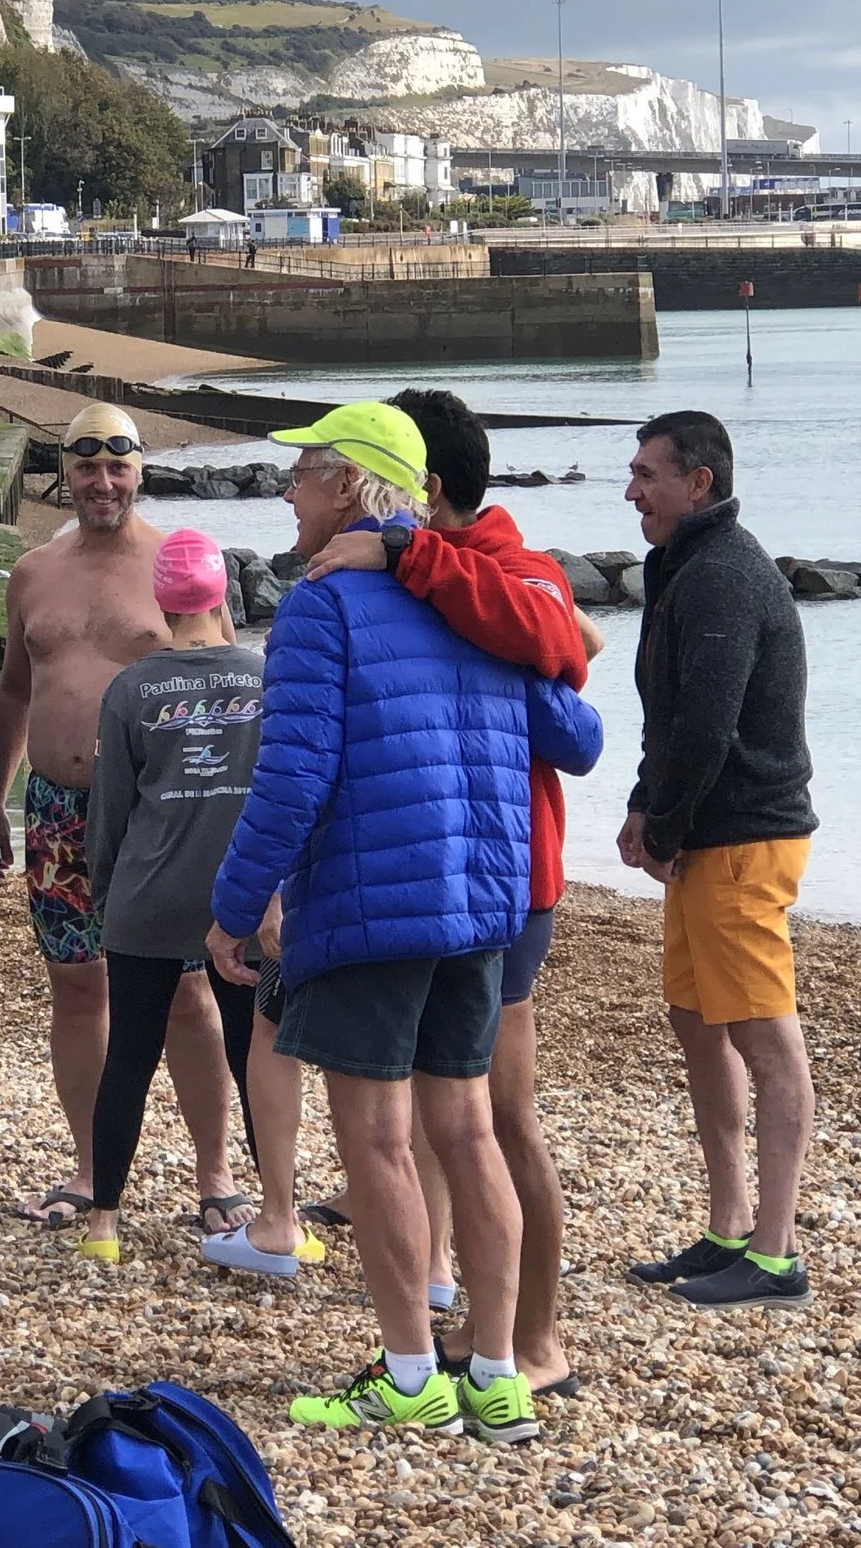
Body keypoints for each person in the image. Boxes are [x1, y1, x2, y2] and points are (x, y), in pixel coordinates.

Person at [206, 401, 601, 1443]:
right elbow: (576, 730)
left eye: (301, 474)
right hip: (483, 901)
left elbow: (291, 782)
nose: (286, 491)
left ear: (347, 486)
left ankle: (411, 1372)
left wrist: (232, 910)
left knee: (377, 1142)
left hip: (373, 905)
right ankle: (502, 1379)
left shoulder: (321, 605)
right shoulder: (477, 600)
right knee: (467, 1132)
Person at [305, 387, 605, 1391]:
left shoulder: (500, 567)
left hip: (502, 876)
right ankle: (439, 1304)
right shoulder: (421, 574)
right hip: (440, 868)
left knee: (494, 1119)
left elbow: (570, 659)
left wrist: (405, 556)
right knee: (436, 1116)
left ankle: (529, 1342)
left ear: (420, 488)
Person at [0, 402, 248, 1235]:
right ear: (67, 470)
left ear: (139, 469)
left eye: (119, 465)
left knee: (187, 990)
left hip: (167, 813)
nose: (104, 481)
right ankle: (93, 1168)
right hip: (59, 812)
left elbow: (231, 688)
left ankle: (216, 1174)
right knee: (78, 985)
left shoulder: (180, 563)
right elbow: (17, 691)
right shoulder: (33, 572)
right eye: (88, 465)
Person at [618, 410, 818, 1310]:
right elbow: (671, 715)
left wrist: (663, 823)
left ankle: (775, 1255)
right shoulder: (682, 567)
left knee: (764, 1034)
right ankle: (730, 1224)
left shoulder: (728, 574)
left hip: (743, 835)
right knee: (697, 1022)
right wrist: (640, 803)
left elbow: (711, 723)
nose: (632, 491)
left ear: (698, 482)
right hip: (703, 833)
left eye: (647, 475)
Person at [76, 531, 268, 1266]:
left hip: (147, 893)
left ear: (160, 600)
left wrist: (103, 889)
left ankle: (104, 1222)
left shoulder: (130, 688)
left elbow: (112, 813)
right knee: (255, 1054)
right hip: (241, 896)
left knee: (130, 1052)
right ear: (220, 596)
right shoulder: (259, 676)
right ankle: (277, 1207)